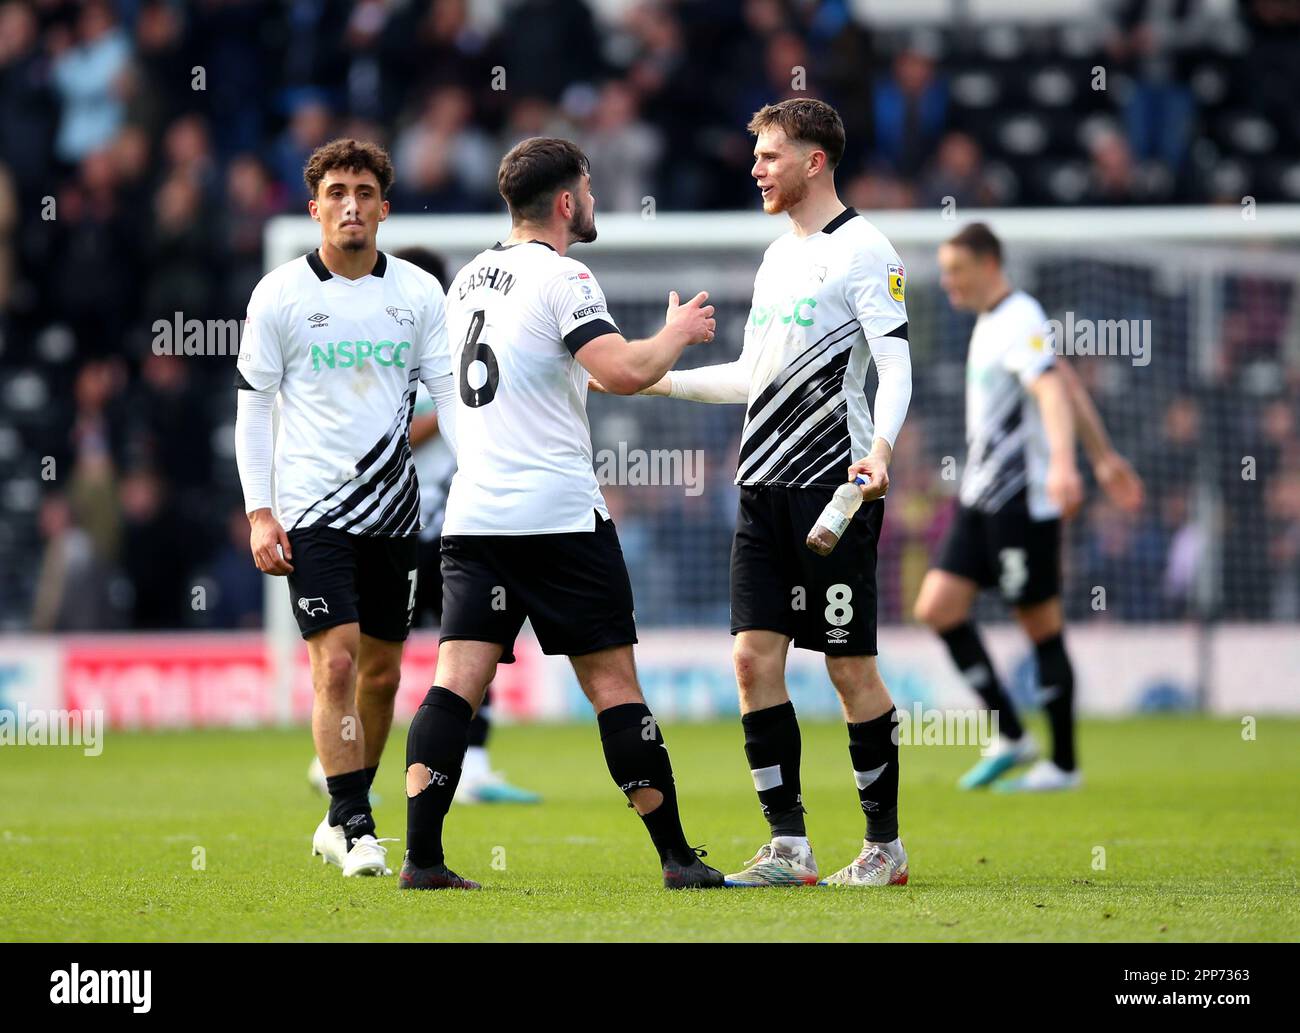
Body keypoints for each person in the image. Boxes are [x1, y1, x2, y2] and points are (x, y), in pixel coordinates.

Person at [399, 136, 723, 891]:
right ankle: (677, 857)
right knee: (613, 685)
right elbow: (620, 371)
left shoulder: (469, 280)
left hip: (475, 518)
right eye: (590, 188)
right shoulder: (564, 275)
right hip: (558, 519)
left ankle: (422, 859)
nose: (597, 201)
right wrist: (677, 333)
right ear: (567, 202)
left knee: (454, 684)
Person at [606, 99, 914, 888]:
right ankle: (790, 846)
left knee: (849, 671)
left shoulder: (866, 251)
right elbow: (753, 376)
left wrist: (880, 452)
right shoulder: (778, 257)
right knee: (751, 659)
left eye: (771, 155)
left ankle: (884, 848)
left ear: (815, 161)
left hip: (833, 490)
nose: (757, 168)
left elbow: (894, 362)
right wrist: (659, 380)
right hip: (759, 488)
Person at [234, 139, 457, 877]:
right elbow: (254, 408)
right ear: (315, 208)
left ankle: (339, 812)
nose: (351, 204)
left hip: (396, 515)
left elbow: (451, 400)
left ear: (384, 208)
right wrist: (261, 511)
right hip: (313, 512)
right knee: (335, 661)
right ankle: (358, 824)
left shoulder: (420, 294)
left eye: (364, 191)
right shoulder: (280, 295)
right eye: (336, 192)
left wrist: (485, 476)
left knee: (384, 674)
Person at [915, 222, 1145, 792]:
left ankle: (1064, 764)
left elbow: (1047, 389)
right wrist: (1106, 455)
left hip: (1021, 502)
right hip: (979, 497)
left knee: (1038, 624)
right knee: (938, 607)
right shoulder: (998, 322)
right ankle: (1012, 734)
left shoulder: (1018, 316)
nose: (948, 284)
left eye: (957, 272)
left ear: (989, 264)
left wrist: (1068, 464)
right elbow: (1063, 378)